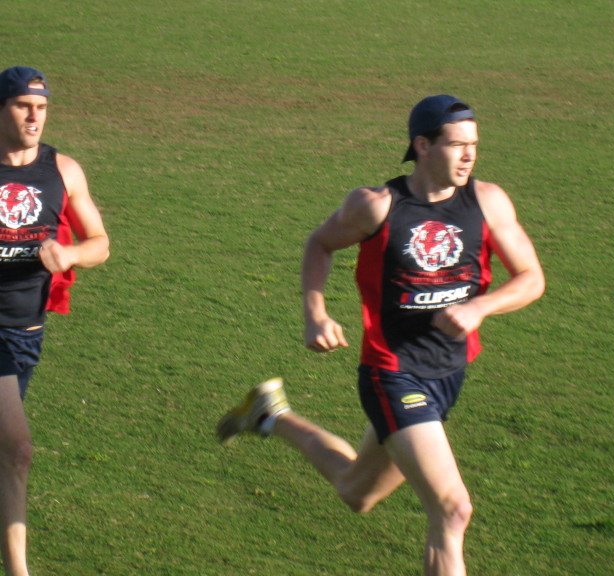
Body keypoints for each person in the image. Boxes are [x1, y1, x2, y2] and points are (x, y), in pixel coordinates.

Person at [217, 94, 544, 575]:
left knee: (356, 492)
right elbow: (320, 243)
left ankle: (271, 415)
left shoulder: (487, 201)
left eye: (474, 145)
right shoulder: (378, 206)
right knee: (453, 510)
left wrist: (481, 306)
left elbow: (532, 278)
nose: (470, 156)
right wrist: (316, 313)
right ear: (423, 145)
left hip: (449, 371)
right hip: (393, 374)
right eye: (458, 145)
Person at [0, 66, 110, 576]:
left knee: (7, 454)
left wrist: (69, 256)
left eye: (41, 107)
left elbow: (100, 243)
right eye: (23, 105)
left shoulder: (63, 170)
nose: (34, 117)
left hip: (26, 332)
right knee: (18, 450)